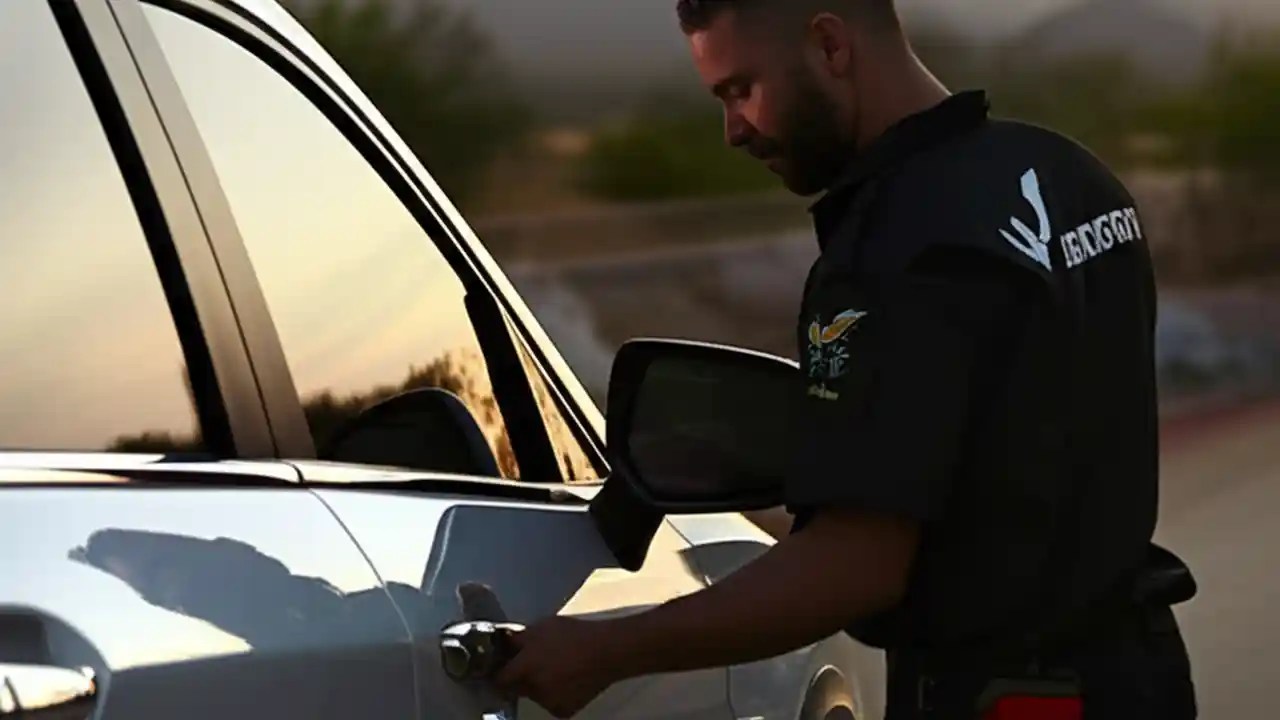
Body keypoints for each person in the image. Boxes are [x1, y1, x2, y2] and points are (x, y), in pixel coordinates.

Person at [494, 1, 1198, 718]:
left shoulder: (894, 251)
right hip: (1141, 676)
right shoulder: (1073, 177)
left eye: (741, 90)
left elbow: (855, 565)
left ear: (830, 44)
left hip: (1002, 696)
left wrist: (606, 650)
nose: (734, 130)